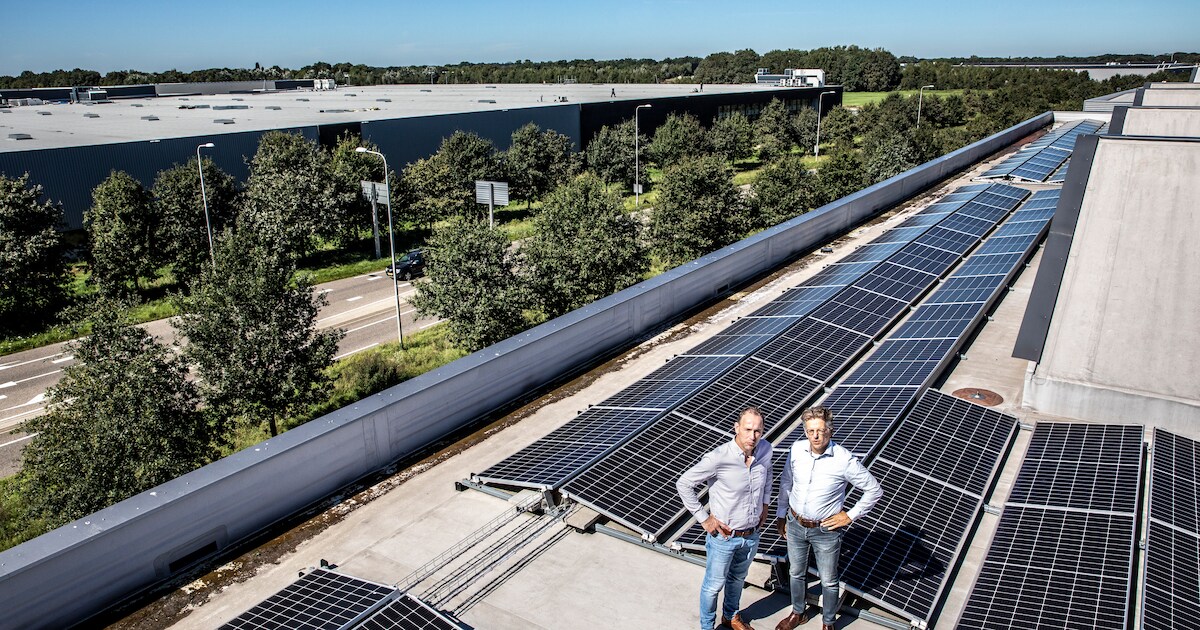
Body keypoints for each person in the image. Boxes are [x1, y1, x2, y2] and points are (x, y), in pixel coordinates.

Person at [773, 406, 882, 630]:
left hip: (826, 531)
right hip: (794, 524)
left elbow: (874, 490)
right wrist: (781, 514)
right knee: (795, 572)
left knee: (829, 581)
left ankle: (828, 622)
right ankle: (798, 612)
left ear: (830, 431)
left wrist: (850, 516)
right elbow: (786, 483)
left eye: (820, 430)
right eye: (811, 430)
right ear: (804, 431)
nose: (815, 435)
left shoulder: (843, 459)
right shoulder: (796, 450)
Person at [677, 407, 773, 630]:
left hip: (751, 535)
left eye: (758, 431)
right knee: (713, 586)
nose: (752, 436)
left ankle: (730, 616)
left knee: (738, 579)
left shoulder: (766, 450)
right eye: (748, 429)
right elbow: (684, 484)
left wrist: (765, 505)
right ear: (736, 428)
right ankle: (707, 626)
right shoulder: (718, 458)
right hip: (724, 537)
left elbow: (767, 476)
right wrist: (704, 518)